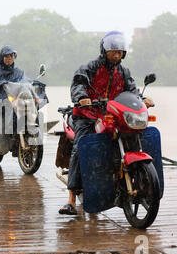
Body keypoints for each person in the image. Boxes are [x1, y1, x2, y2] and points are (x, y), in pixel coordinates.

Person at [59, 31, 155, 216]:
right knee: (80, 148)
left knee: (133, 136)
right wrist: (82, 97)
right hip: (88, 114)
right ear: (105, 51)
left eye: (120, 52)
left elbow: (132, 90)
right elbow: (78, 84)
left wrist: (142, 99)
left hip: (113, 115)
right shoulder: (90, 67)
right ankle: (70, 199)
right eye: (113, 52)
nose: (117, 56)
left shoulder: (123, 71)